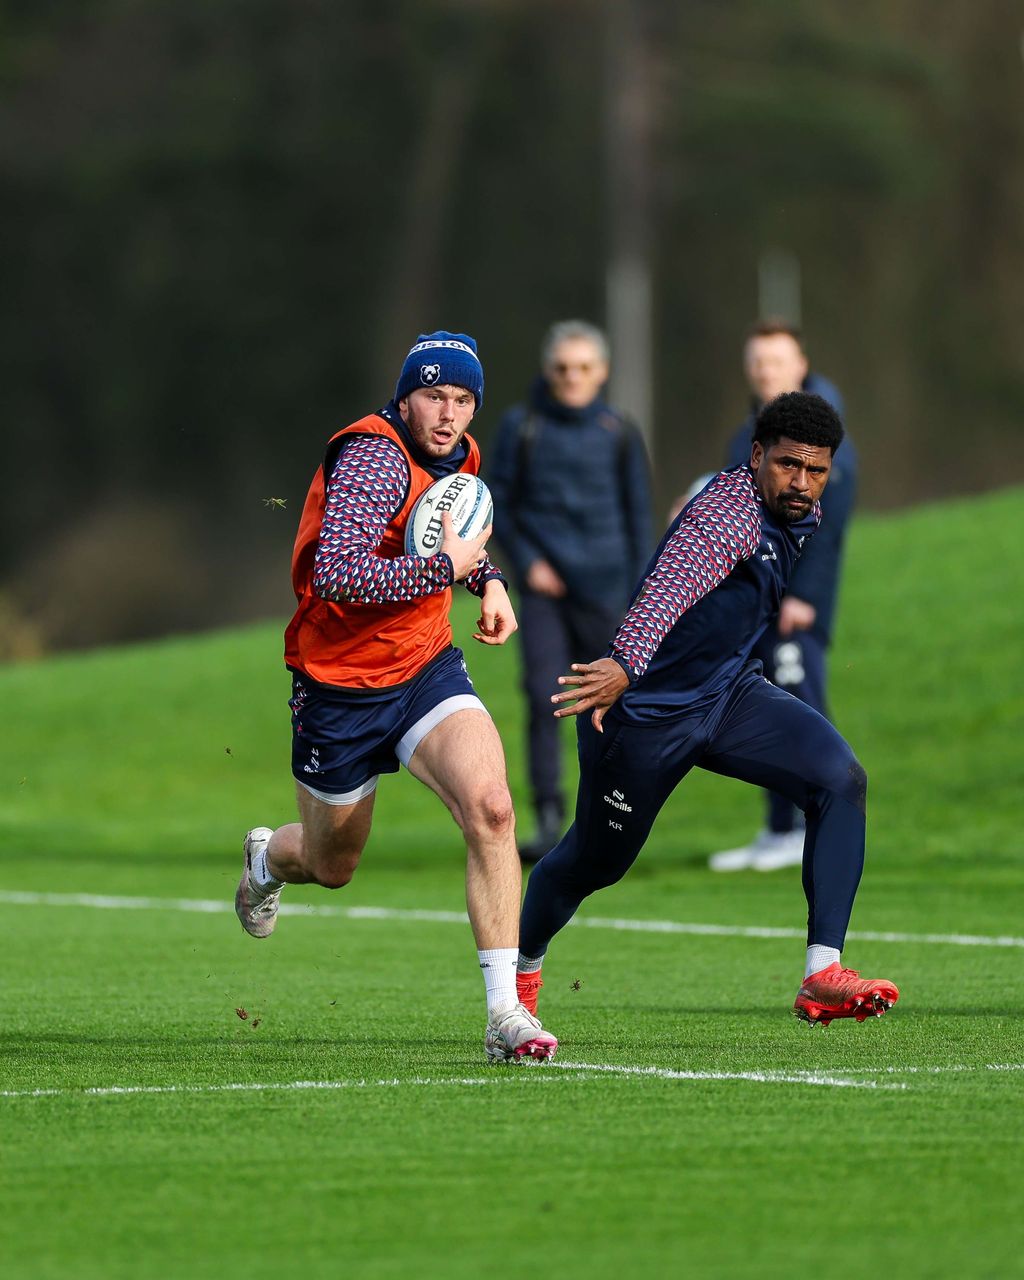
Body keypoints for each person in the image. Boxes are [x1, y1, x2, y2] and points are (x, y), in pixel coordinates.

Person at [514, 391, 898, 1029]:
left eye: (816, 469)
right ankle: (518, 977)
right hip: (642, 716)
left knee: (840, 779)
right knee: (593, 862)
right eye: (787, 465)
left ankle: (821, 973)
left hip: (729, 696)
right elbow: (670, 585)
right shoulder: (729, 514)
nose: (802, 482)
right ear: (756, 455)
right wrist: (626, 665)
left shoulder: (804, 512)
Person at [235, 331, 557, 1064]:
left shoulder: (462, 455)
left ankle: (506, 1016)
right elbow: (340, 576)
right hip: (338, 689)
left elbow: (459, 536)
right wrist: (448, 568)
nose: (449, 415)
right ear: (406, 395)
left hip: (423, 669)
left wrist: (489, 580)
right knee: (331, 865)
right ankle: (265, 859)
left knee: (493, 806)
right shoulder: (373, 459)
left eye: (464, 400)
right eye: (434, 396)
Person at [488, 320, 654, 863]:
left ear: (601, 373)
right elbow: (500, 506)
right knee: (543, 697)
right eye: (562, 367)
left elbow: (638, 518)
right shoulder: (522, 427)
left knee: (609, 707)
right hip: (544, 594)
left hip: (609, 592)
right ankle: (549, 815)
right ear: (547, 370)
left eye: (583, 368)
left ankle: (608, 817)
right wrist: (529, 563)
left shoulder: (620, 432)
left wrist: (641, 597)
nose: (572, 377)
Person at [709, 320, 857, 872]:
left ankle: (807, 824)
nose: (766, 371)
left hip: (792, 607)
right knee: (760, 710)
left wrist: (804, 595)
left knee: (802, 711)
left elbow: (829, 524)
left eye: (777, 362)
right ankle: (777, 828)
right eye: (758, 363)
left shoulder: (823, 434)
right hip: (755, 604)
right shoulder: (750, 434)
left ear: (800, 366)